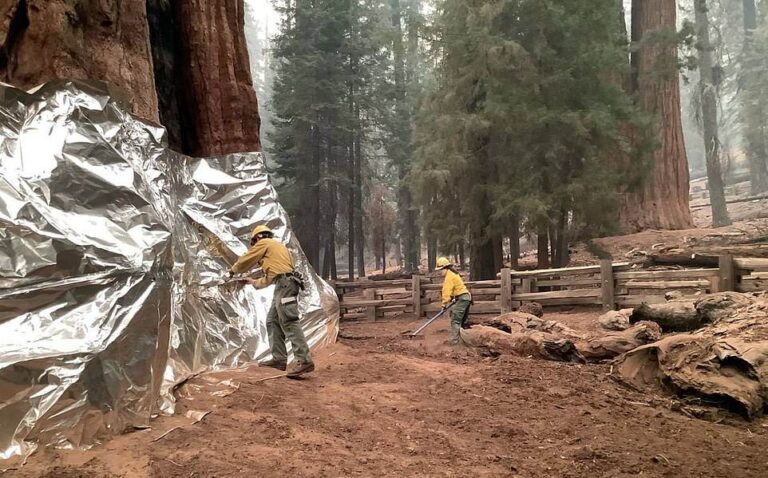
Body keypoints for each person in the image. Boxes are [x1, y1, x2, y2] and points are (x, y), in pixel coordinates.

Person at [229, 225, 315, 378]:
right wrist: (252, 282)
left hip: (285, 285)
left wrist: (232, 270)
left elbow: (247, 259)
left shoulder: (264, 243)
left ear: (258, 237)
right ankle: (279, 359)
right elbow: (270, 278)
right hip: (284, 285)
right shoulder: (278, 248)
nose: (254, 246)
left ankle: (304, 360)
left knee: (289, 321)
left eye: (254, 243)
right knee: (272, 321)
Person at [437, 257, 472, 345]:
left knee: (455, 320)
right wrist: (454, 298)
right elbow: (456, 289)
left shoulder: (449, 277)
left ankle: (455, 342)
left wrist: (444, 304)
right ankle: (464, 340)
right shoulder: (454, 274)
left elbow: (446, 292)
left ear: (445, 268)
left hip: (462, 298)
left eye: (440, 270)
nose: (440, 272)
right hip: (465, 298)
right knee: (462, 321)